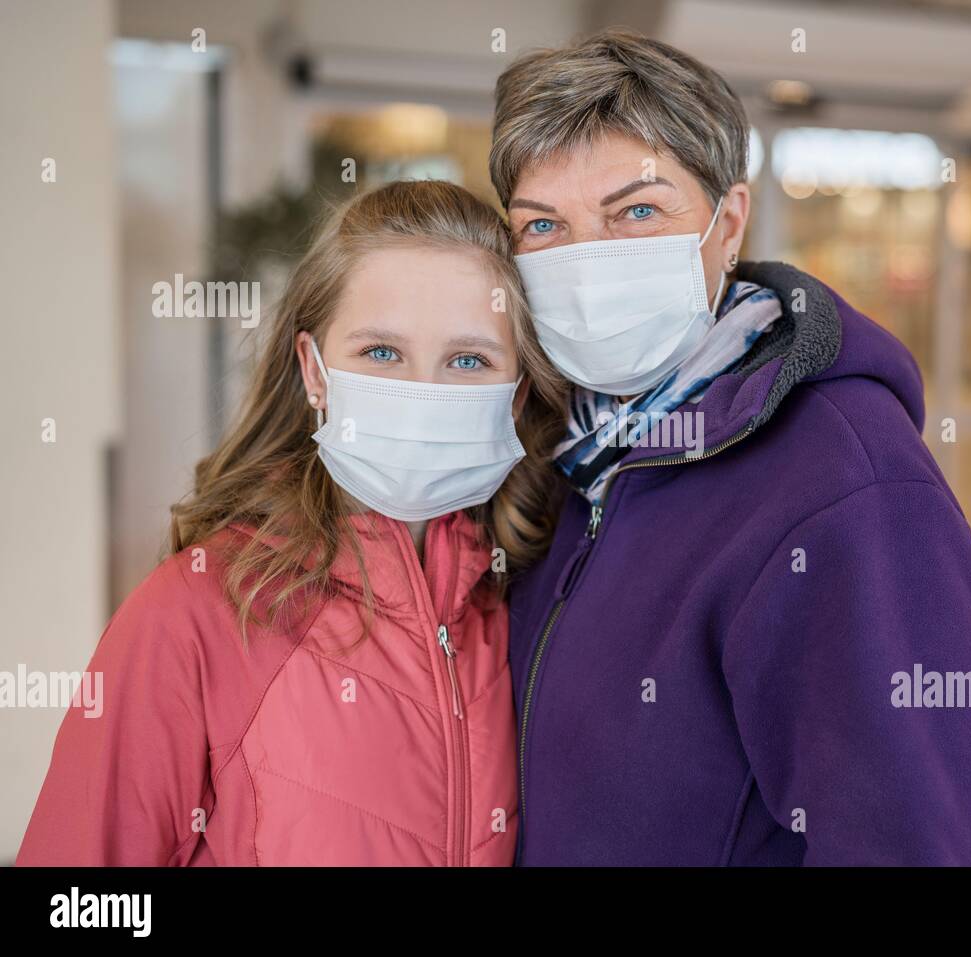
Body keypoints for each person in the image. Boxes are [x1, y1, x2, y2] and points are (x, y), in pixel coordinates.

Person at [493, 29, 971, 865]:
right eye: (544, 224)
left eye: (638, 212)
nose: (587, 261)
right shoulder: (563, 451)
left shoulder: (854, 490)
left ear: (728, 225)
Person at [17, 180, 566, 866]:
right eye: (381, 352)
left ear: (515, 395)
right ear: (314, 370)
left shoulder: (516, 613)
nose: (423, 393)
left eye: (467, 359)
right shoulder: (197, 610)